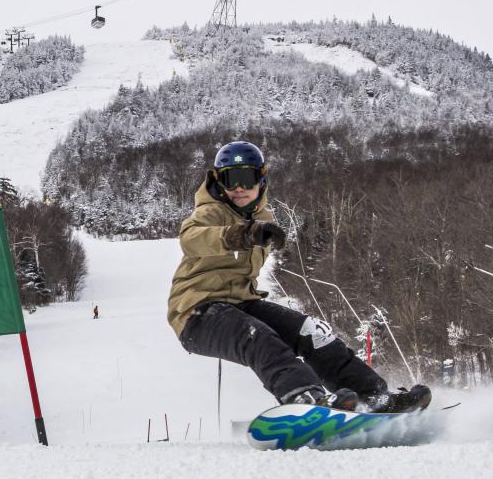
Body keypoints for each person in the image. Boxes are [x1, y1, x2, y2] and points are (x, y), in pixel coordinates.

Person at [166, 140, 431, 413]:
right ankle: (304, 399)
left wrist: (256, 231)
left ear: (261, 178)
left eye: (246, 178)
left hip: (239, 303)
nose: (239, 189)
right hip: (196, 314)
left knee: (313, 332)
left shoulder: (264, 217)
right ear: (219, 182)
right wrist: (242, 235)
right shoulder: (209, 212)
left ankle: (376, 398)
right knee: (259, 336)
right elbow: (191, 239)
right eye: (230, 180)